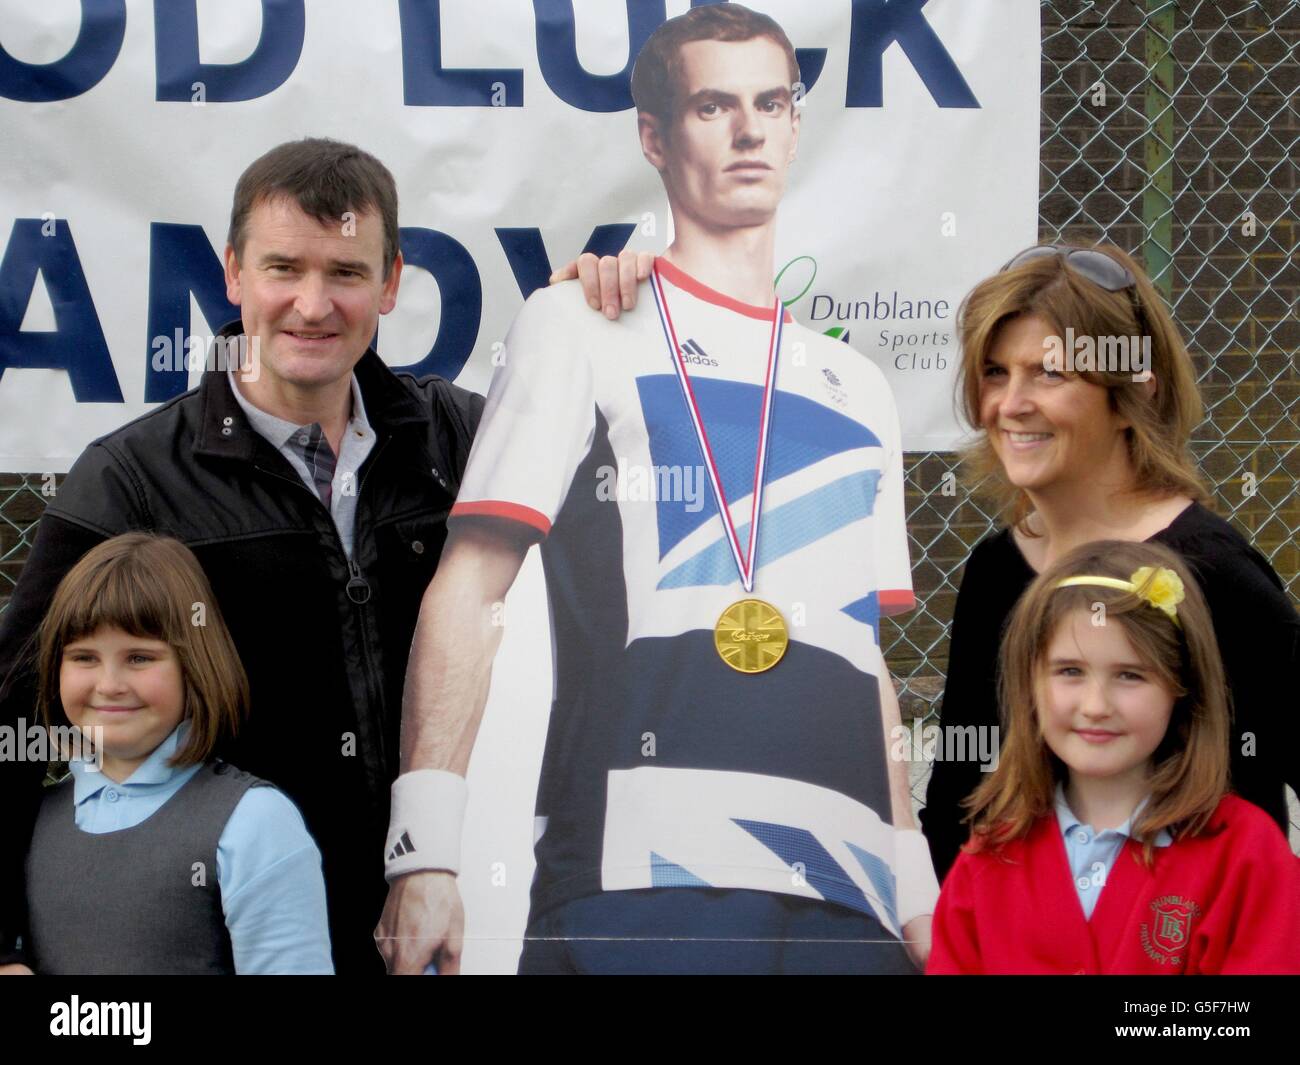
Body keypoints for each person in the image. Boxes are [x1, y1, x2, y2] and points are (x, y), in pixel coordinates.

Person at [378, 3, 938, 975]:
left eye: (771, 102)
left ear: (798, 123)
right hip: (637, 873)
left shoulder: (860, 386)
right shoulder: (577, 323)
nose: (750, 128)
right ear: (654, 135)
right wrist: (425, 850)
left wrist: (918, 888)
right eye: (714, 105)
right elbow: (470, 586)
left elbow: (867, 659)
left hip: (847, 898)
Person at [0, 138, 484, 974]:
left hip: (449, 928)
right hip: (235, 943)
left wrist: (586, 307)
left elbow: (615, 430)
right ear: (231, 274)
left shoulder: (462, 440)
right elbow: (14, 721)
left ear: (392, 282)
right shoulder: (132, 479)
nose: (311, 304)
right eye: (282, 268)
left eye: (345, 272)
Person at [919, 244, 1299, 881]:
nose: (1011, 405)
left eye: (1050, 374)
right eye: (994, 372)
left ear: (1132, 392)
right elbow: (959, 802)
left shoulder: (1218, 576)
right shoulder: (996, 570)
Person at [927, 540, 1300, 974]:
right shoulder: (987, 858)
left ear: (1182, 689)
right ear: (1030, 687)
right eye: (1070, 671)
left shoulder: (1246, 856)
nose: (1096, 705)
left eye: (1129, 675)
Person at [22, 534, 331, 975]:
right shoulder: (30, 819)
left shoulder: (254, 820)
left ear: (194, 664)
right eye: (84, 657)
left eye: (139, 658)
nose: (109, 684)